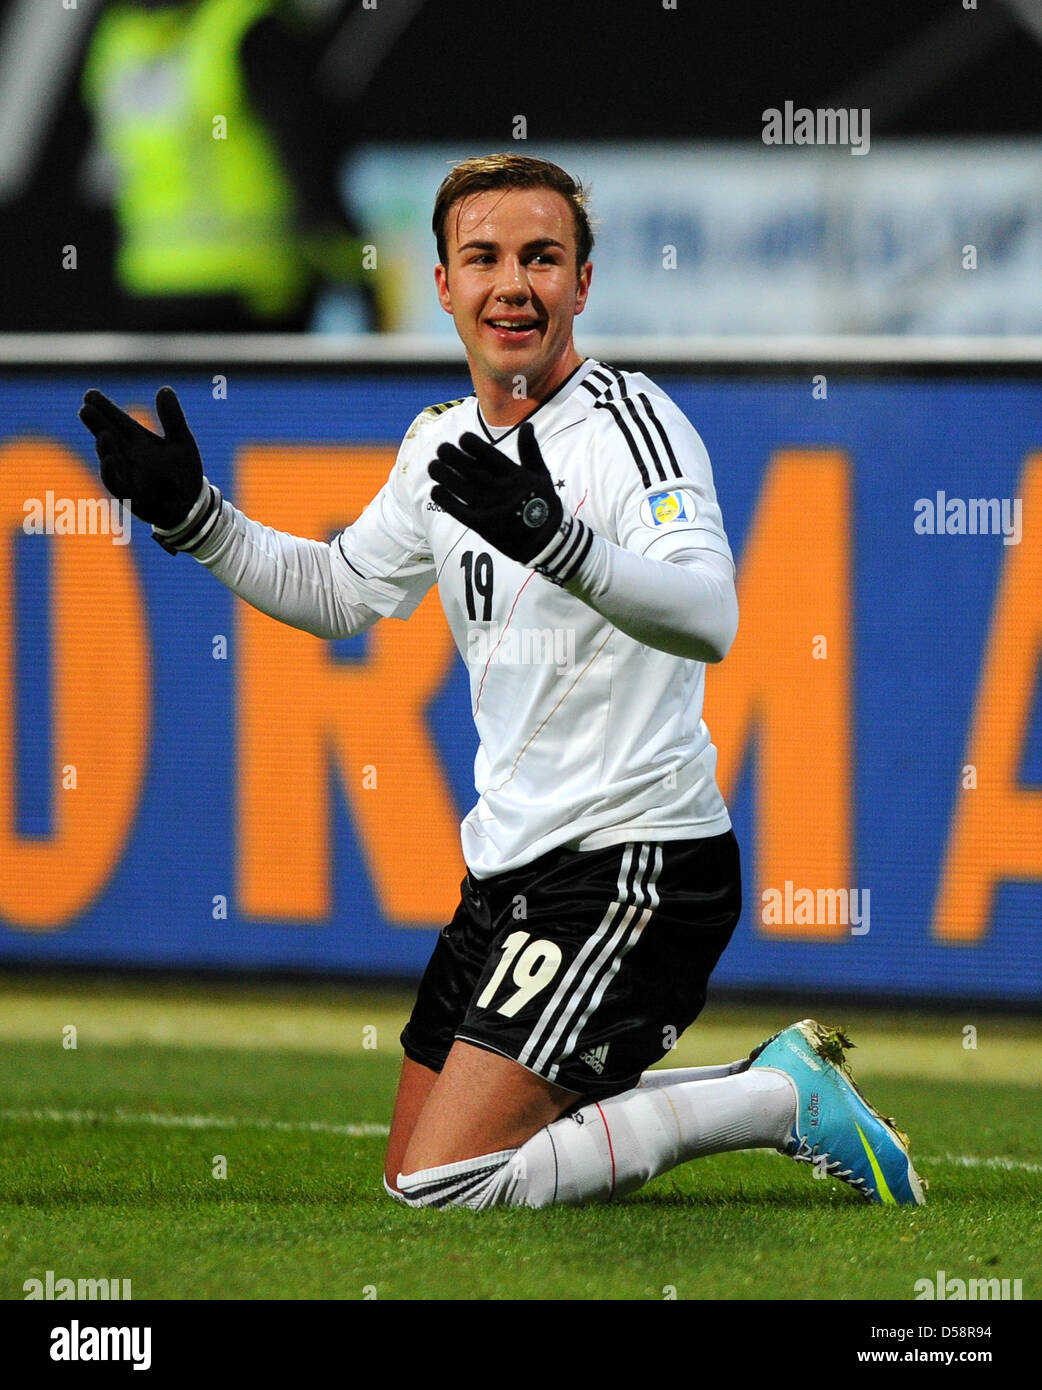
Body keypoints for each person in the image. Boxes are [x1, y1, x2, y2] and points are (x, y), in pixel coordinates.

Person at [78, 153, 924, 1210]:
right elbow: (340, 591)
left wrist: (557, 539)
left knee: (446, 1182)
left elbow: (709, 617)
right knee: (409, 1175)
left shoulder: (633, 429)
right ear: (441, 284)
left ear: (583, 279)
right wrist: (195, 518)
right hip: (507, 877)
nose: (511, 285)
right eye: (482, 258)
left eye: (541, 257)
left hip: (635, 865)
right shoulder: (442, 443)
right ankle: (759, 1082)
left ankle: (772, 1103)